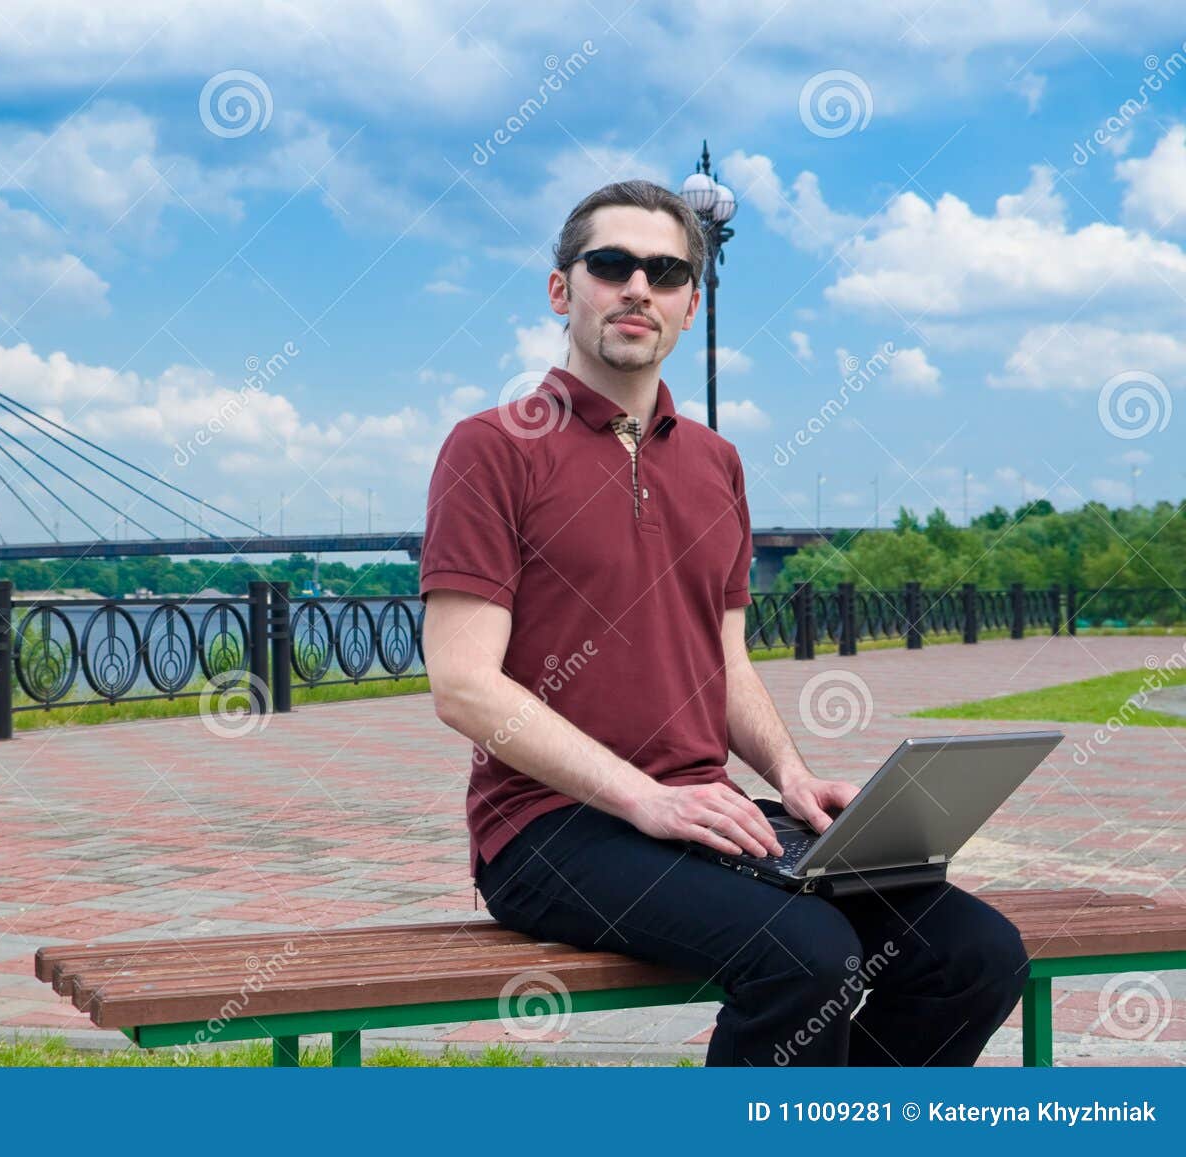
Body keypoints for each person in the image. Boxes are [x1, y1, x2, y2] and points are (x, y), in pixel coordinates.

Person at [417, 179, 1028, 1066]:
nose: (638, 287)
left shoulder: (716, 463)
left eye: (666, 272)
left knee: (974, 953)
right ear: (562, 290)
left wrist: (792, 774)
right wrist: (643, 797)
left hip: (708, 811)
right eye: (612, 264)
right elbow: (463, 685)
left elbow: (726, 664)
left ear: (690, 304)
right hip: (550, 826)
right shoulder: (493, 446)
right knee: (807, 955)